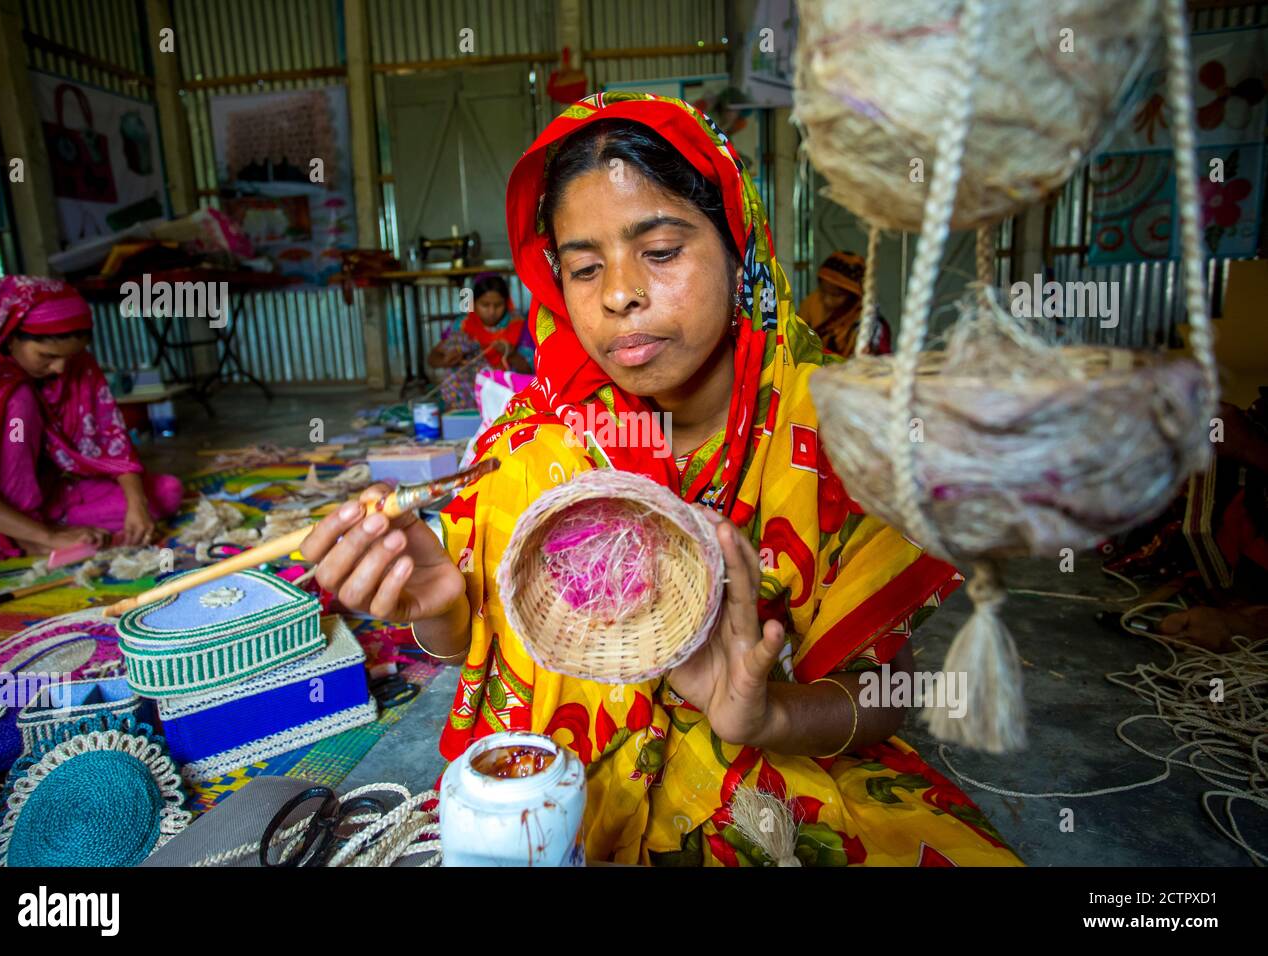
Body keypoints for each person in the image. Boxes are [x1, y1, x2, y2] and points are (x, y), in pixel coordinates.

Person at [303, 94, 1019, 866]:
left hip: (767, 785)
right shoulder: (529, 454)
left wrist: (766, 717)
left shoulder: (830, 434)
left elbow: (885, 695)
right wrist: (439, 608)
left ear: (739, 245)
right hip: (567, 798)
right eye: (583, 267)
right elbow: (474, 656)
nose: (618, 294)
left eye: (662, 251)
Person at [0, 277, 183, 558]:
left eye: (69, 357)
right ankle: (12, 537)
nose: (59, 368)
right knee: (19, 411)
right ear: (8, 336)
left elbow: (112, 437)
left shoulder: (73, 365)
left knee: (165, 493)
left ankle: (20, 535)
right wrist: (47, 535)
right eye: (46, 356)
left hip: (48, 495)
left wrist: (137, 504)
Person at [427, 272, 534, 410]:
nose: (491, 311)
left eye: (498, 305)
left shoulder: (518, 326)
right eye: (485, 305)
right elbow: (432, 359)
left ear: (507, 303)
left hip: (507, 399)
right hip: (466, 398)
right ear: (473, 303)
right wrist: (447, 360)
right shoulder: (464, 325)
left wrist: (511, 354)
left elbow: (530, 372)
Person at [797, 251, 891, 358]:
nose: (827, 300)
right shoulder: (812, 303)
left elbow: (875, 365)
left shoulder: (871, 326)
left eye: (836, 296)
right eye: (823, 292)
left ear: (854, 297)